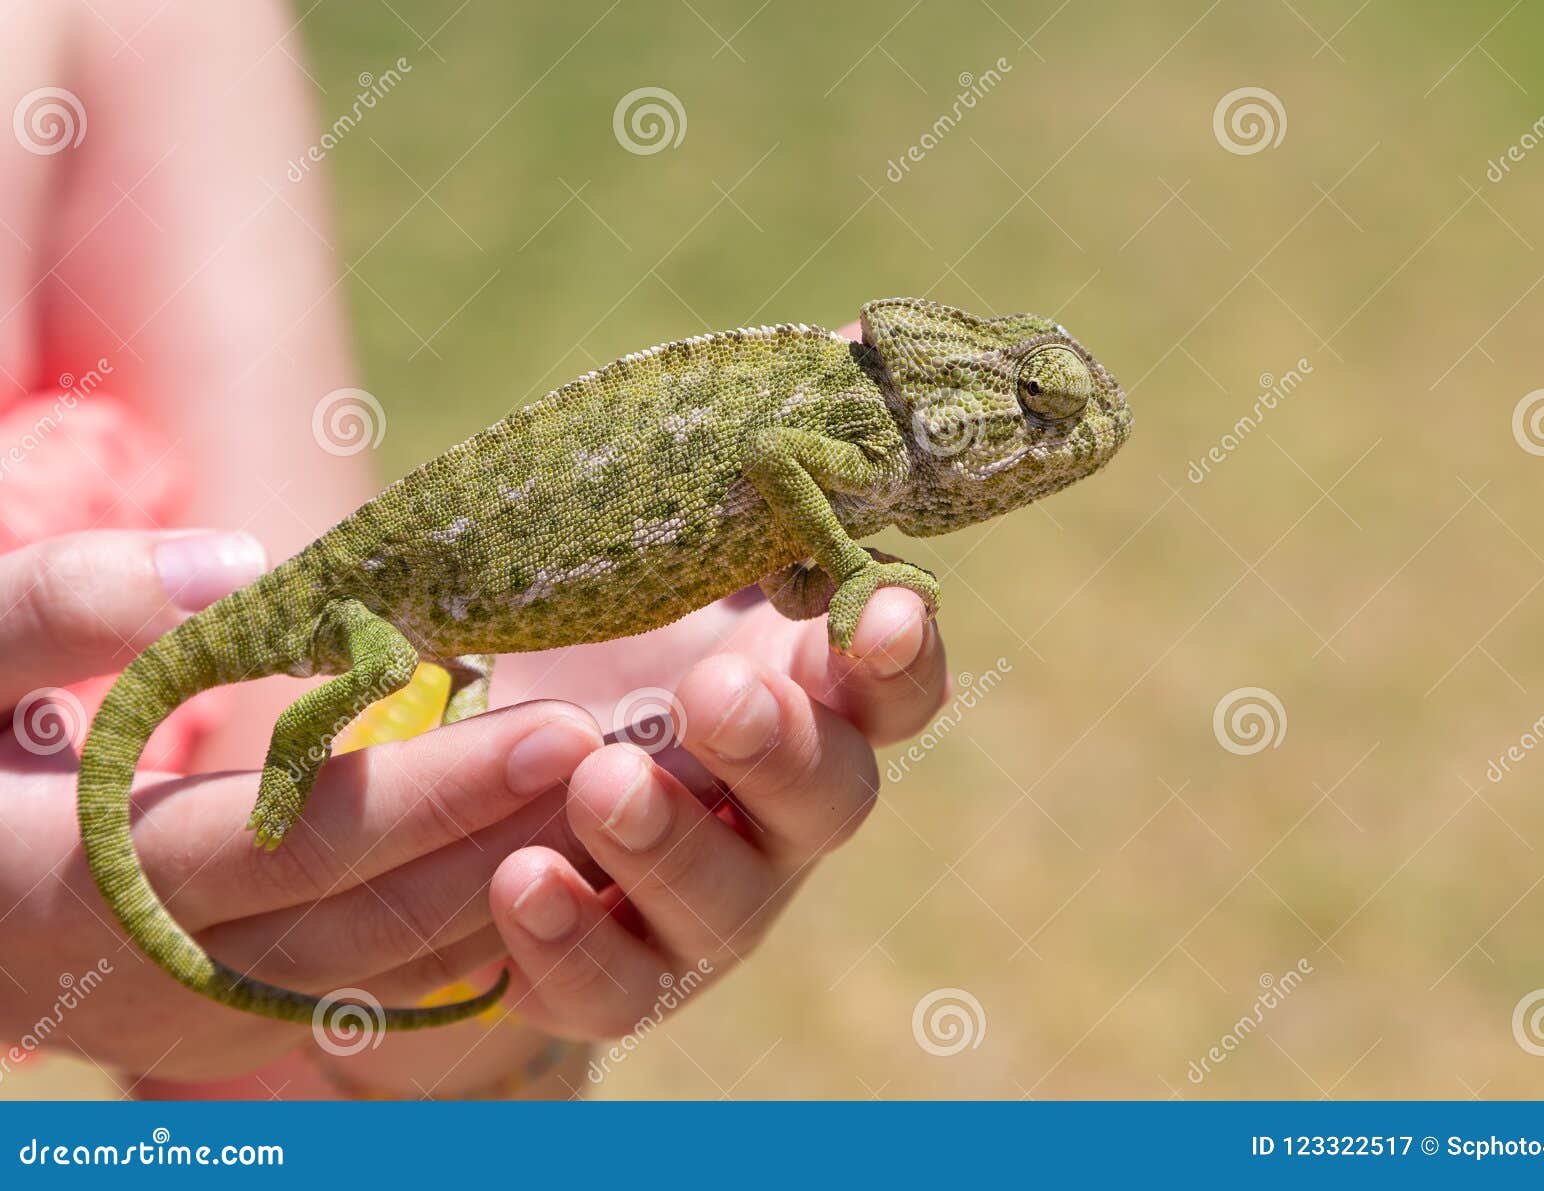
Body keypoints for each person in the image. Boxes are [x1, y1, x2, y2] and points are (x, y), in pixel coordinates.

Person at [0, 0, 951, 1099]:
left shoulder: (156, 28)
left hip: (423, 609)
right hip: (377, 606)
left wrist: (456, 1020)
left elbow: (253, 1107)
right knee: (376, 659)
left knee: (394, 665)